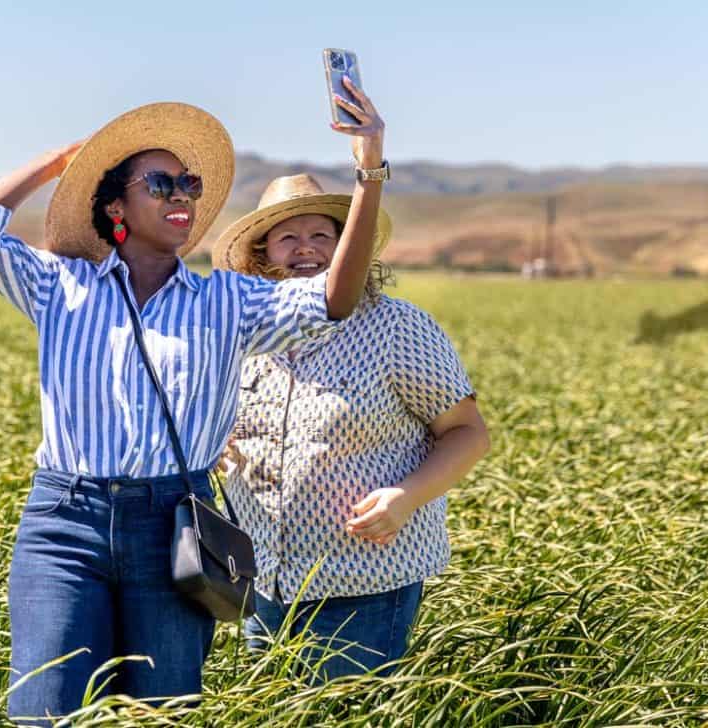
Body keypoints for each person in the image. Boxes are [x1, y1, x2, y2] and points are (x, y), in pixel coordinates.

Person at [0, 96, 388, 722]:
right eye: (160, 182)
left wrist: (369, 173)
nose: (182, 194)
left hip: (174, 524)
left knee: (162, 711)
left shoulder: (228, 301)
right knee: (43, 711)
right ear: (116, 206)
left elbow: (332, 302)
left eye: (189, 183)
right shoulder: (58, 285)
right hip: (64, 522)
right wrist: (60, 163)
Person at [213, 87, 490, 683]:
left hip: (364, 582)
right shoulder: (245, 334)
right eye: (289, 238)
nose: (307, 250)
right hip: (263, 582)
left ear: (349, 244)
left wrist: (406, 497)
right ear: (264, 255)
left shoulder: (397, 327)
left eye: (323, 236)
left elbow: (467, 433)